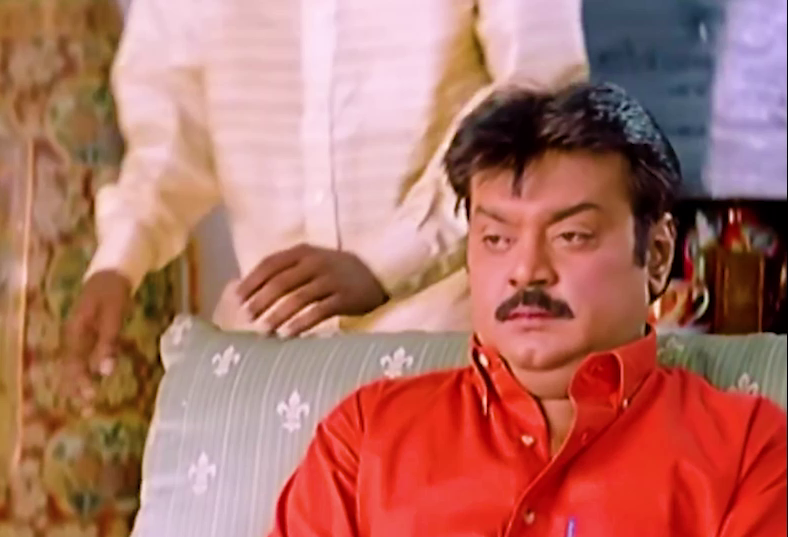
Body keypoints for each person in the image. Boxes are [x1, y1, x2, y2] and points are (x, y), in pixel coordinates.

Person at [248, 82, 788, 537]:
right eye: (497, 239)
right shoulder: (367, 438)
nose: (527, 270)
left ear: (659, 254)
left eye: (572, 235)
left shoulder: (748, 449)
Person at [65, 0, 590, 387]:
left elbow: (538, 97)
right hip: (270, 364)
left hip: (446, 355)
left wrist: (386, 261)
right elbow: (171, 130)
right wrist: (120, 260)